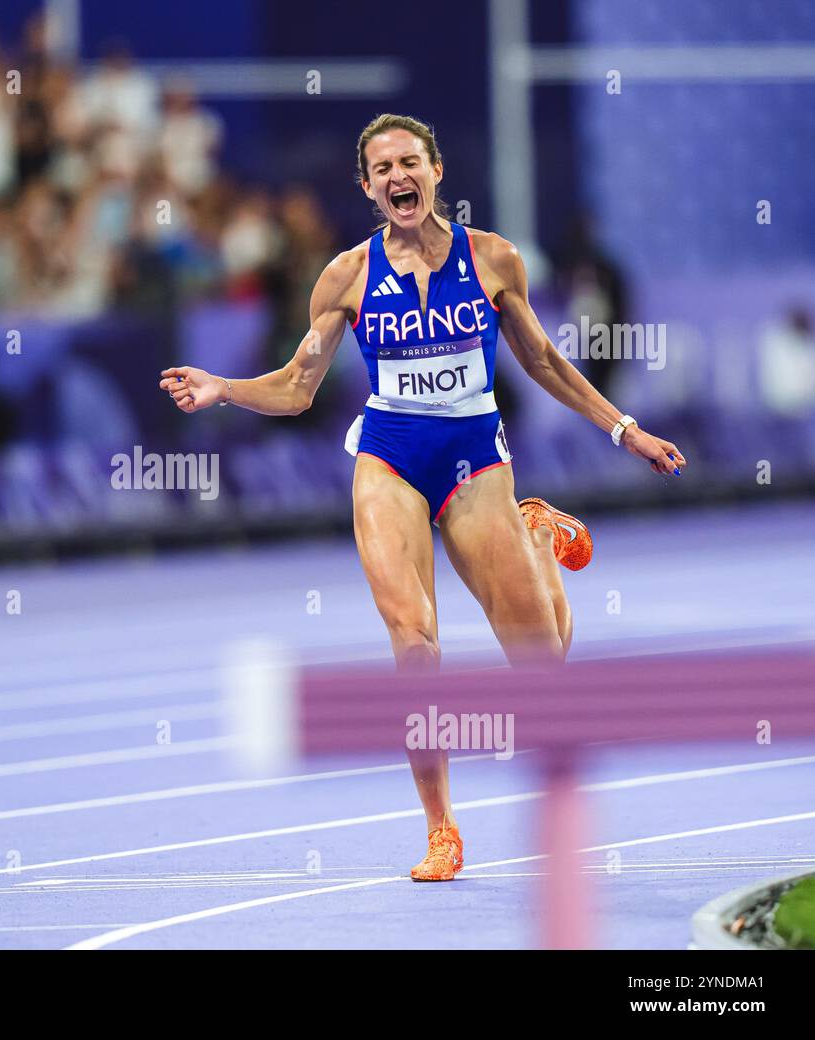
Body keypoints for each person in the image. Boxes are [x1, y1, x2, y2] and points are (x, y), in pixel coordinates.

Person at [158, 113, 686, 881]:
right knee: (414, 646)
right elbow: (298, 388)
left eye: (410, 162)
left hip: (475, 458)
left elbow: (542, 362)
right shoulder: (346, 274)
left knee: (541, 668)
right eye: (383, 169)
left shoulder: (494, 258)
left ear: (437, 172)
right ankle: (441, 830)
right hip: (390, 458)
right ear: (367, 187)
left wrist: (622, 428)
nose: (398, 177)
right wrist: (226, 390)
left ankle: (533, 535)